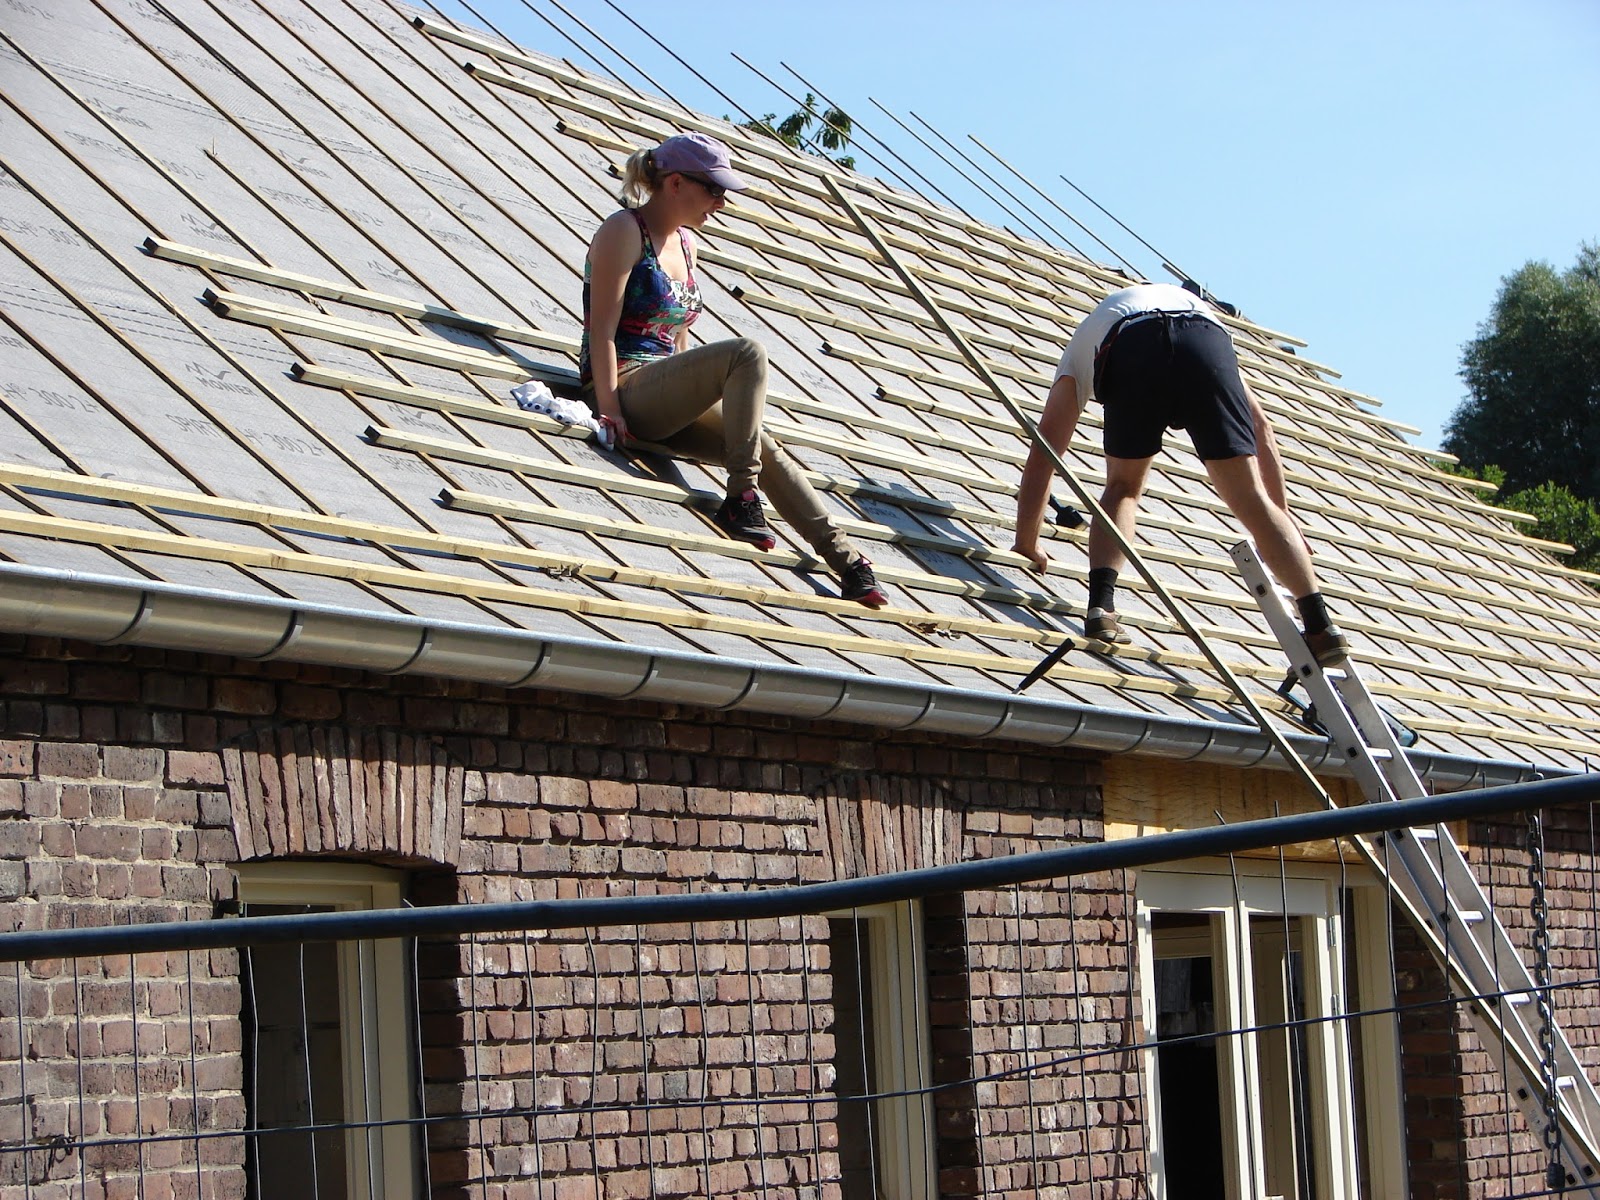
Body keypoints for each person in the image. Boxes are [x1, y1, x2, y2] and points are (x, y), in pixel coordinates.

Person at [579, 131, 886, 609]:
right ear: (676, 183)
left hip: (663, 392)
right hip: (623, 382)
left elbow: (679, 339)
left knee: (762, 443)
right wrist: (610, 408)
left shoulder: (687, 244)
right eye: (713, 190)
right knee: (749, 351)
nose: (720, 203)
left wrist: (720, 410)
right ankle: (742, 496)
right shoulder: (624, 229)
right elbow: (602, 330)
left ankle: (845, 560)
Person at [1011, 281, 1349, 665]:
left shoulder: (1080, 349)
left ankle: (1100, 608)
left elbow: (1046, 452)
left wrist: (1027, 542)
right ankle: (1320, 626)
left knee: (1122, 487)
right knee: (1252, 499)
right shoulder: (1197, 311)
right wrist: (1284, 521)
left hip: (1133, 344)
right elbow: (1263, 429)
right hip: (1204, 343)